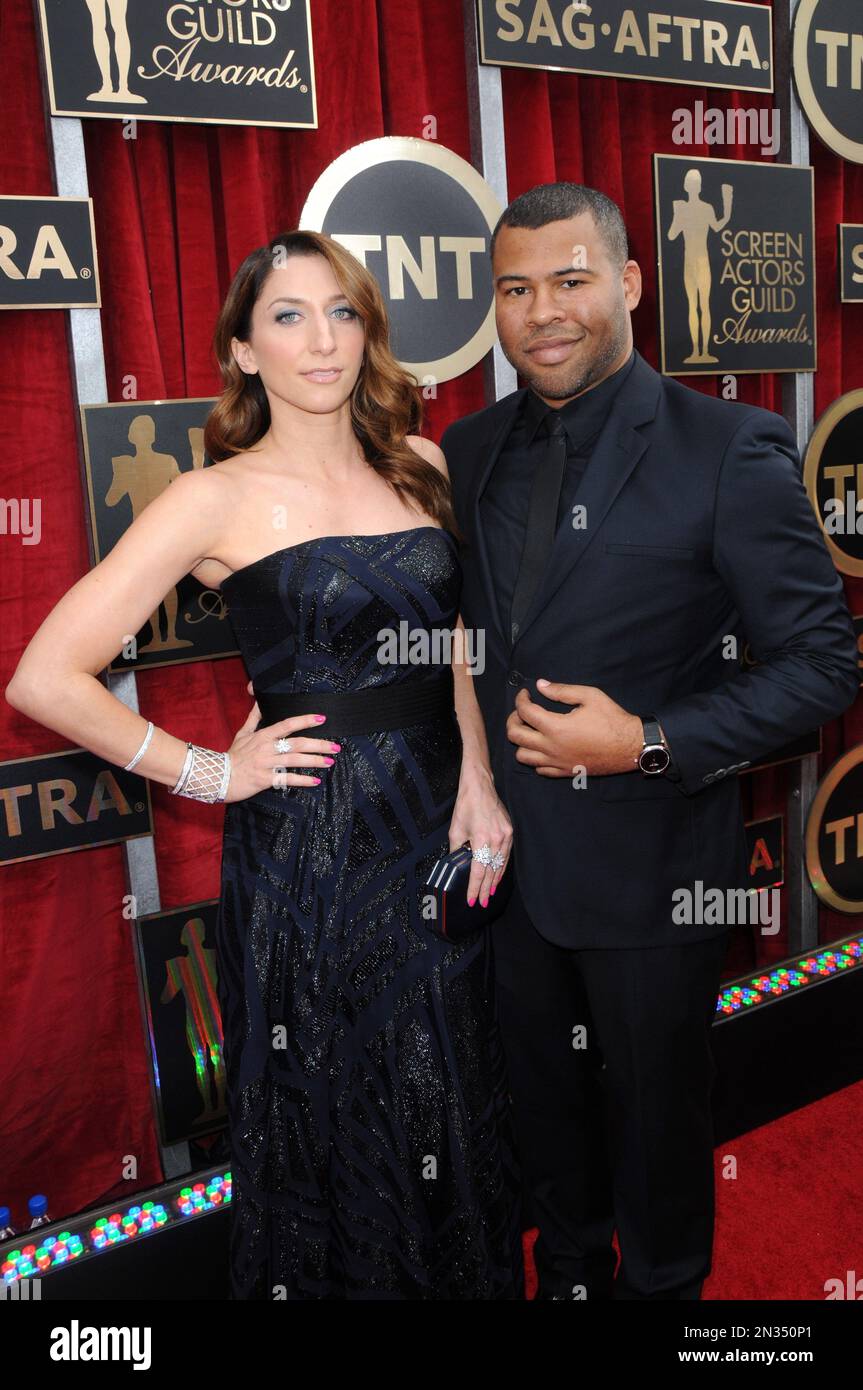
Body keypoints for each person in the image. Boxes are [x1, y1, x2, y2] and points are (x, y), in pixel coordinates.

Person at [4, 229, 523, 1300]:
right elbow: (46, 673)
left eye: (340, 310)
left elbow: (453, 645)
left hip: (434, 829)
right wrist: (204, 771)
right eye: (287, 316)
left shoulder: (421, 463)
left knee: (440, 1084)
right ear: (243, 350)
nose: (321, 339)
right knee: (332, 1098)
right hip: (312, 850)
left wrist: (477, 779)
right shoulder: (213, 499)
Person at [440, 182, 859, 1301]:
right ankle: (567, 1277)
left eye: (569, 280)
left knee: (657, 1133)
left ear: (626, 284)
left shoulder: (727, 448)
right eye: (515, 289)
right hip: (505, 872)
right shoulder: (468, 447)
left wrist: (651, 741)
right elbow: (469, 636)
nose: (542, 311)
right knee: (541, 1120)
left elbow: (823, 668)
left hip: (654, 874)